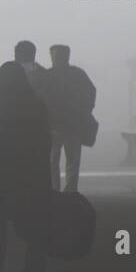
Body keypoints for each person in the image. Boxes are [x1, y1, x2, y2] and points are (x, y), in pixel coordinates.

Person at [0, 61, 52, 272]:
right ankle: (35, 263)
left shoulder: (1, 106)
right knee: (34, 216)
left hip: (5, 167)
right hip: (33, 169)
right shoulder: (37, 104)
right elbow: (46, 138)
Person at [44, 44, 96, 192]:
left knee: (54, 160)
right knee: (70, 159)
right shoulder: (77, 74)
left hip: (57, 124)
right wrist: (87, 110)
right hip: (71, 124)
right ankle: (70, 190)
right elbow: (91, 91)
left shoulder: (48, 76)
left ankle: (56, 189)